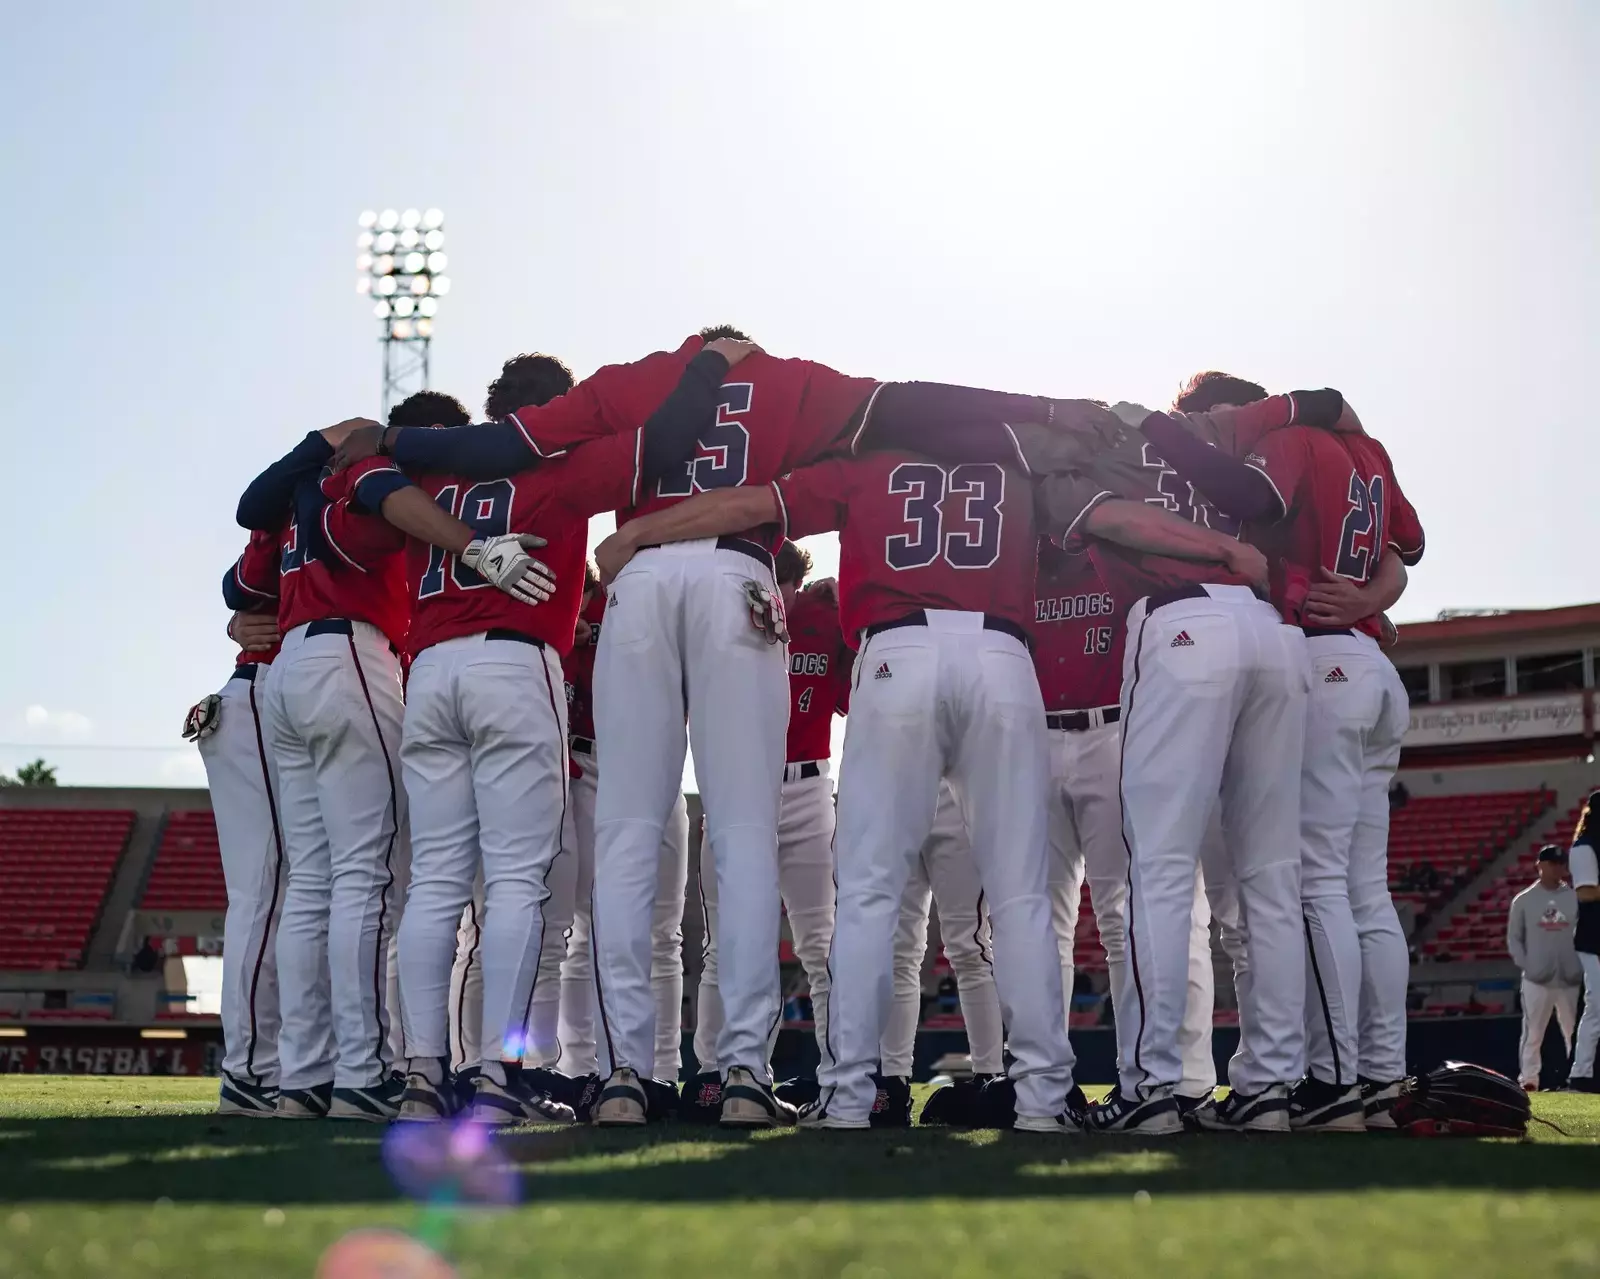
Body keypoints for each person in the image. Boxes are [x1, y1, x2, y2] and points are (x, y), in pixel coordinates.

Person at [594, 440, 1264, 1133]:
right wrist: (1226, 549)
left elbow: (752, 503)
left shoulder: (866, 460)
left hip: (897, 652)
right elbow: (1118, 519)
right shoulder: (1019, 460)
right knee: (1022, 897)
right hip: (1001, 657)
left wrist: (640, 531)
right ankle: (1040, 1094)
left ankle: (851, 1093)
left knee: (867, 896)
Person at [346, 348, 754, 1123]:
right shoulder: (560, 468)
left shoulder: (434, 472)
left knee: (434, 884)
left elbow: (357, 476)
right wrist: (708, 364)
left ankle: (423, 1075)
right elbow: (666, 441)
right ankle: (501, 1078)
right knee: (517, 883)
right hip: (514, 661)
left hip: (428, 670)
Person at [1009, 388, 1349, 1133]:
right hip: (1274, 632)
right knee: (1270, 876)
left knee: (1158, 870)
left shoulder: (1092, 449)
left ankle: (1154, 1086)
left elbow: (1114, 519)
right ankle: (1270, 1086)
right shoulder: (1240, 432)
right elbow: (1326, 404)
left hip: (1182, 620)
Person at [236, 416, 413, 1121]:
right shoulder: (357, 487)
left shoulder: (293, 498)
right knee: (365, 875)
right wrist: (336, 450)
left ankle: (303, 1076)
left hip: (287, 672)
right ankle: (362, 1073)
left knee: (311, 881)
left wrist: (313, 454)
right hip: (348, 652)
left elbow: (240, 576)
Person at [1030, 538, 1218, 1132]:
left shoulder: (1122, 555)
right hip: (1035, 735)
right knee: (1041, 919)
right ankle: (1046, 1085)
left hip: (1116, 729)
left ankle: (1172, 1080)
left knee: (1133, 915)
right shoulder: (1017, 558)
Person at [687, 542, 850, 1116]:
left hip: (806, 786)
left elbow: (853, 701)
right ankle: (713, 1077)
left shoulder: (823, 615)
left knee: (822, 945)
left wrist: (846, 611)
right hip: (738, 783)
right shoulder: (714, 610)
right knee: (723, 948)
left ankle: (840, 1079)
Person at [549, 565, 691, 1098]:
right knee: (586, 925)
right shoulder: (572, 612)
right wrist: (575, 629)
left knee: (663, 933)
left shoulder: (671, 598)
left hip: (657, 763)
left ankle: (663, 1071)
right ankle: (580, 1067)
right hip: (586, 762)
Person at [189, 530, 285, 1117]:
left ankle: (286, 1067)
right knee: (266, 893)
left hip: (266, 694)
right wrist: (236, 622)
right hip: (262, 695)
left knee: (295, 894)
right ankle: (251, 1070)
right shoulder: (325, 489)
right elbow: (241, 588)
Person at [880, 781, 1003, 1125]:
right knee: (898, 953)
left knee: (968, 946)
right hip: (895, 789)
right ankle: (893, 1083)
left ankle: (988, 1077)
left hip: (956, 789)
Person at [1507, 846, 1582, 1090]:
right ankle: (1529, 1080)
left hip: (1569, 977)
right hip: (1537, 979)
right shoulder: (1525, 900)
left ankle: (1578, 1077)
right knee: (1532, 1032)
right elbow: (1514, 939)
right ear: (1540, 865)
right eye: (1552, 863)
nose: (1558, 868)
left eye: (1561, 864)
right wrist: (1528, 965)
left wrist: (1579, 965)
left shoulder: (1573, 897)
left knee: (1574, 1031)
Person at [1565, 794, 1600, 1091]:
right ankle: (1581, 1073)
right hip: (1594, 937)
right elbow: (1586, 892)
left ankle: (1582, 1072)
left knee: (1595, 1007)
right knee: (1598, 1006)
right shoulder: (1584, 848)